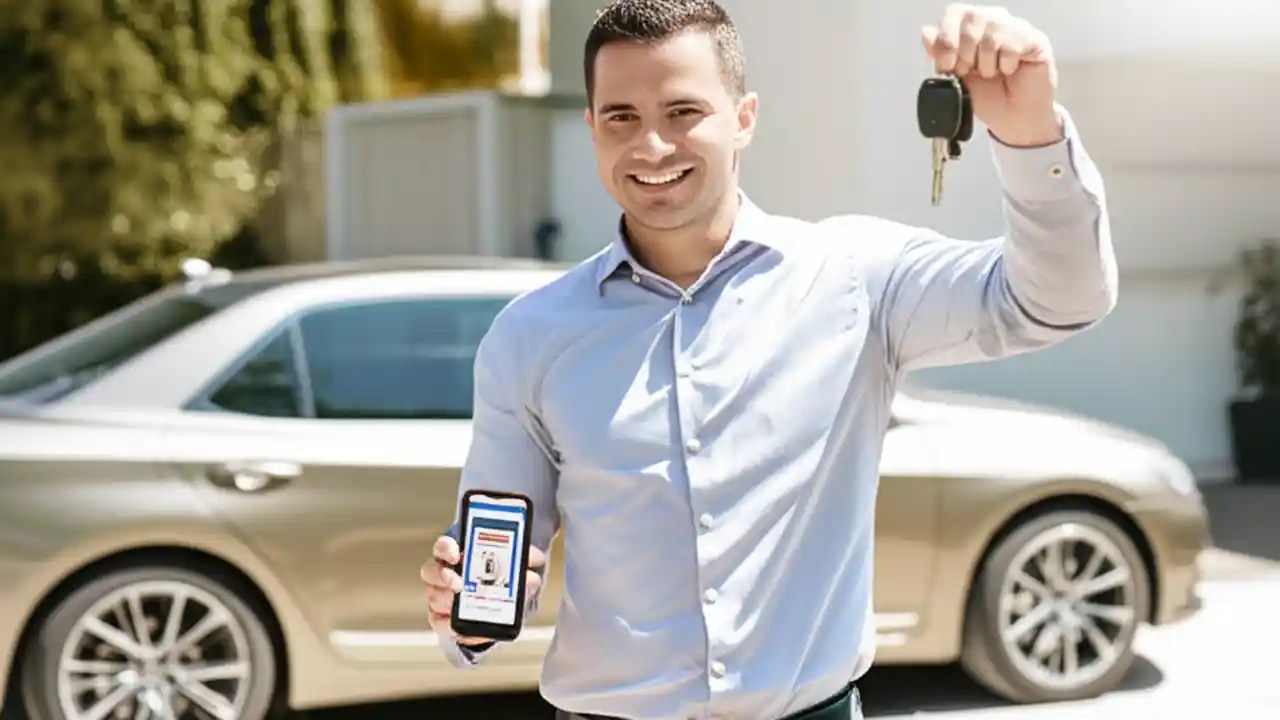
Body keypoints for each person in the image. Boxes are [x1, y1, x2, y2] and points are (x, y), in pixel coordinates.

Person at [420, 1, 1116, 718]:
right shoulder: (528, 337)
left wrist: (1029, 131)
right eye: (622, 116)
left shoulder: (854, 279)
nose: (652, 145)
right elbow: (496, 564)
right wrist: (463, 613)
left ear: (744, 117)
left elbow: (1058, 299)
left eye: (683, 111)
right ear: (592, 128)